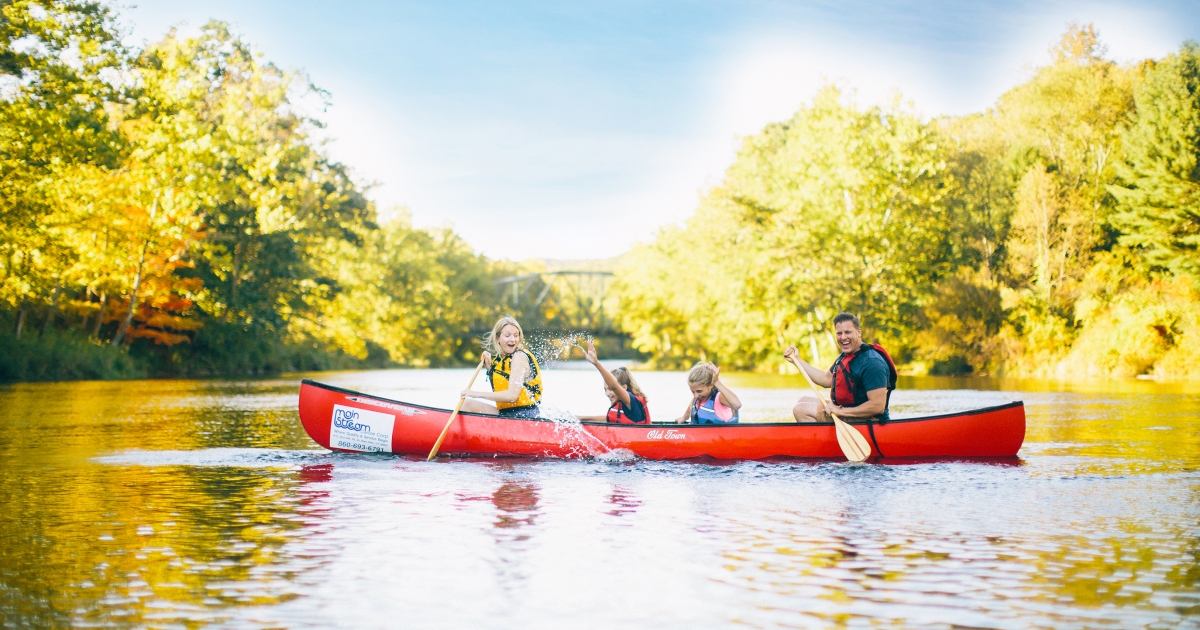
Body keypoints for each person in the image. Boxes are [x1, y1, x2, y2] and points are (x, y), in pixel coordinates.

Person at [784, 312, 896, 423]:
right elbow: (824, 378)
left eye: (848, 332)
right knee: (803, 400)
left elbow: (877, 407)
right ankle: (823, 438)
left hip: (868, 419)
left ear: (858, 333)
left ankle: (819, 440)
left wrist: (841, 411)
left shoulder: (872, 362)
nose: (843, 337)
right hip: (850, 412)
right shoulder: (846, 356)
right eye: (839, 333)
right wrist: (797, 360)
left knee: (801, 410)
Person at [460, 316, 543, 418]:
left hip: (524, 416)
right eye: (507, 335)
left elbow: (512, 396)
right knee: (466, 404)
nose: (512, 339)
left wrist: (476, 394)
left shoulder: (519, 357)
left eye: (516, 335)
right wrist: (490, 368)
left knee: (468, 402)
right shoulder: (502, 360)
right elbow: (503, 382)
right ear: (498, 337)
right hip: (507, 414)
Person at [575, 340, 651, 424]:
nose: (607, 393)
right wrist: (579, 418)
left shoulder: (633, 403)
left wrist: (596, 363)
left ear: (624, 388)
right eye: (605, 389)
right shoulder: (621, 405)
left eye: (610, 389)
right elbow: (609, 418)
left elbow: (614, 385)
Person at [676, 362, 742, 424]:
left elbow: (737, 405)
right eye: (692, 391)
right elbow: (692, 405)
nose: (695, 395)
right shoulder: (698, 397)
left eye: (699, 391)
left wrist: (716, 382)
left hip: (721, 435)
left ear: (711, 385)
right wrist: (684, 417)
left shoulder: (719, 398)